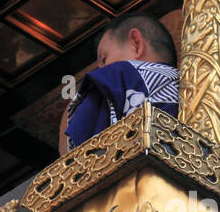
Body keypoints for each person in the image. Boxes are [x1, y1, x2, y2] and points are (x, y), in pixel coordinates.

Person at [61, 15, 179, 154]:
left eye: (104, 59)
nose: (102, 71)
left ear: (136, 44)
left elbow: (78, 154)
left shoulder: (120, 73)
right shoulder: (191, 87)